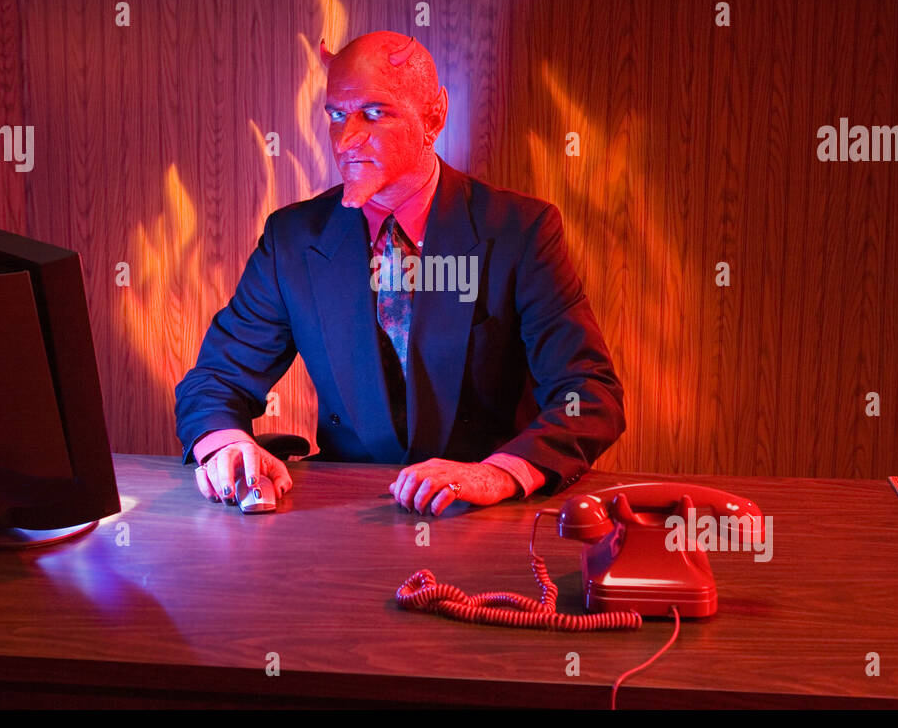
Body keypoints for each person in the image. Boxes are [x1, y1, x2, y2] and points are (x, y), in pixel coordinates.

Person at [174, 31, 624, 514]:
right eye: (336, 115)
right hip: (342, 516)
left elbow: (589, 394)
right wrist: (224, 445)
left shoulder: (521, 231)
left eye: (373, 113)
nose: (346, 140)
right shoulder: (292, 238)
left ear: (433, 117)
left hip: (486, 518)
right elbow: (217, 378)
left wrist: (498, 474)